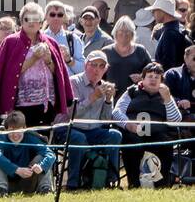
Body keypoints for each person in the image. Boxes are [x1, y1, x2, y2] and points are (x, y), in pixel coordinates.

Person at [0, 2, 73, 131]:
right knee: (23, 142)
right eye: (27, 19)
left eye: (35, 19)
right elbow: (4, 73)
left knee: (43, 142)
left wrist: (49, 60)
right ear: (22, 21)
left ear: (41, 21)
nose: (31, 22)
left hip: (47, 103)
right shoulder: (10, 41)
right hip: (21, 105)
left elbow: (59, 74)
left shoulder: (51, 42)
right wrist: (34, 58)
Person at [113, 61, 181, 188]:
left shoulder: (165, 95)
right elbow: (117, 112)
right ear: (143, 79)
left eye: (157, 77)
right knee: (131, 142)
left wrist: (167, 99)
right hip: (134, 132)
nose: (153, 80)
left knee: (165, 144)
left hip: (158, 133)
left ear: (161, 81)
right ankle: (134, 183)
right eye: (150, 76)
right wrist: (128, 125)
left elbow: (176, 120)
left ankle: (162, 184)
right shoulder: (131, 92)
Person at [62, 50, 122, 189]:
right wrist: (93, 97)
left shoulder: (105, 85)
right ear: (85, 65)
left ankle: (110, 179)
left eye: (102, 66)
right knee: (79, 138)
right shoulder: (73, 82)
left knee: (115, 135)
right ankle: (73, 183)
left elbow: (106, 121)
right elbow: (71, 114)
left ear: (106, 69)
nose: (97, 70)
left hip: (94, 130)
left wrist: (108, 100)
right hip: (71, 128)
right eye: (93, 65)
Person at [0, 111, 53, 195]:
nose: (15, 135)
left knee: (42, 157)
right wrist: (16, 170)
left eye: (18, 130)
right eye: (11, 130)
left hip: (29, 180)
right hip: (8, 182)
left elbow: (50, 154)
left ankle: (45, 189)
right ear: (6, 130)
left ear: (24, 128)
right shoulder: (2, 138)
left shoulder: (30, 137)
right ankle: (0, 191)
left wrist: (41, 166)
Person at [102, 17, 151, 99]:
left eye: (127, 31)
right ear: (115, 33)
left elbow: (153, 71)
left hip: (135, 98)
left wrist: (141, 77)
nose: (124, 34)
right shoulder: (106, 51)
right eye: (121, 31)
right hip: (110, 98)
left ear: (132, 34)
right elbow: (98, 76)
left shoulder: (140, 50)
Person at [147, 0, 191, 72]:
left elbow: (169, 65)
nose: (153, 13)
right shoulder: (175, 28)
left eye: (154, 10)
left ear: (162, 11)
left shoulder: (170, 33)